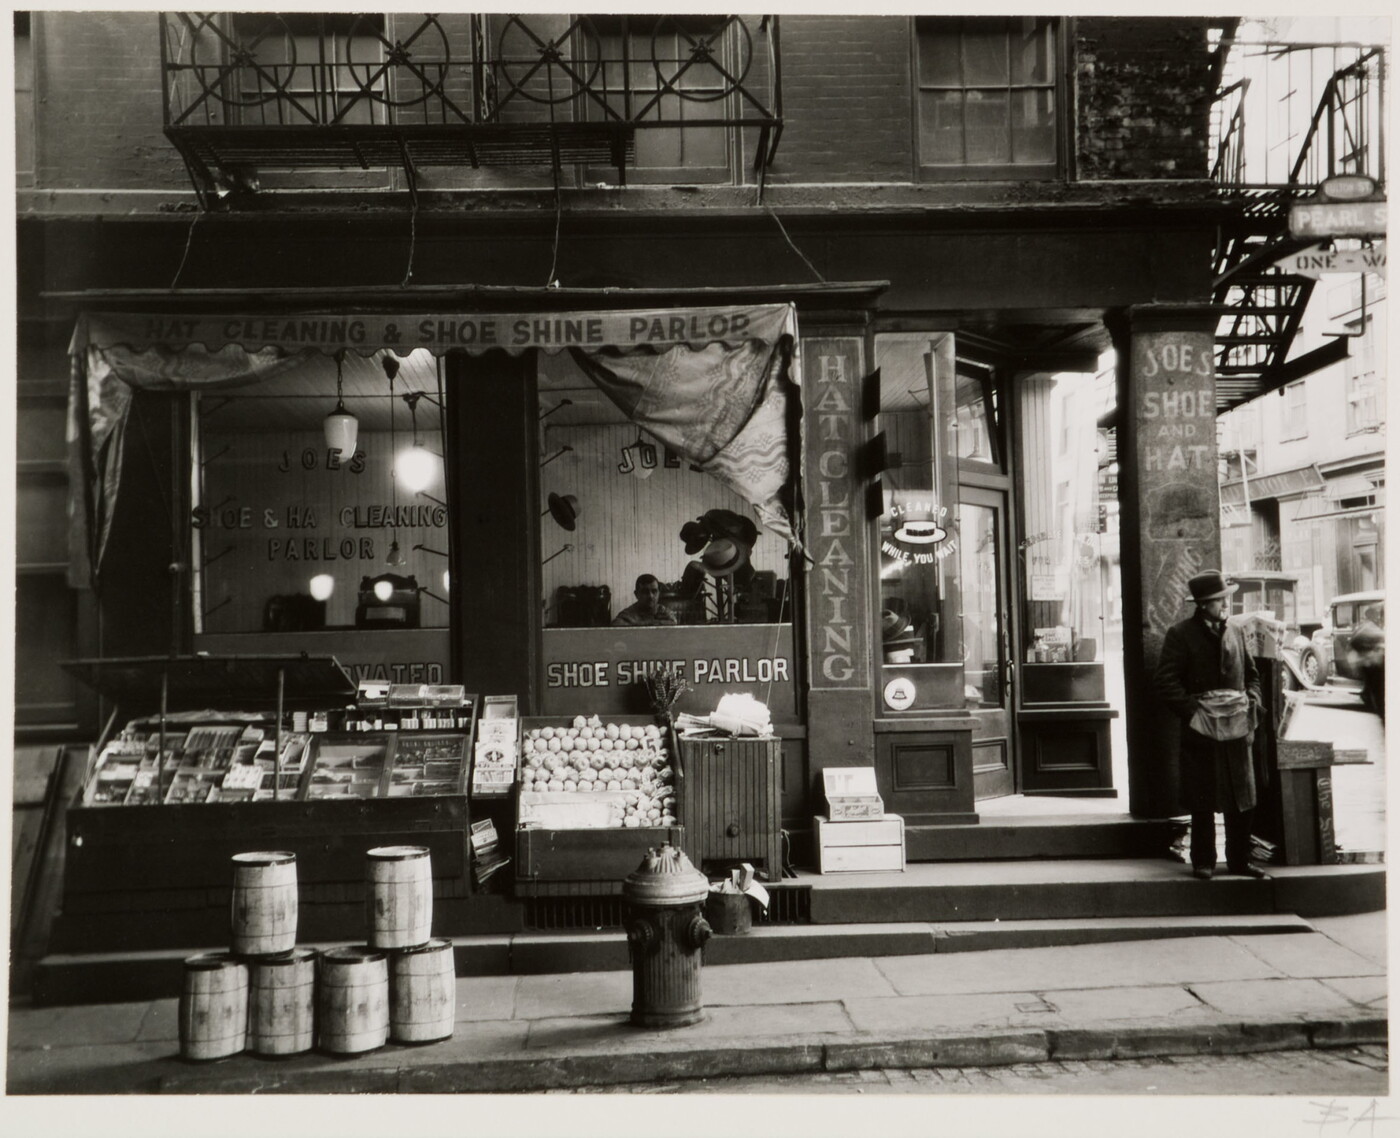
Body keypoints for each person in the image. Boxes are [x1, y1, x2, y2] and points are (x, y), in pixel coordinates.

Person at [1154, 569, 1265, 880]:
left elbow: (1253, 676)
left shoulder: (1237, 631)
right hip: (1202, 730)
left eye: (1226, 599)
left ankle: (1240, 861)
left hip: (1238, 727)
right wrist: (1195, 714)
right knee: (1203, 797)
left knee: (1242, 797)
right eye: (1219, 600)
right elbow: (1165, 682)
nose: (1226, 605)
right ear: (1203, 604)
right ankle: (1203, 861)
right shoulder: (1180, 635)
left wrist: (1252, 702)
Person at [612, 573, 677, 627]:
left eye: (654, 591)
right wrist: (653, 623)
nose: (651, 596)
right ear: (636, 594)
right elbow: (615, 626)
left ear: (659, 593)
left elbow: (674, 624)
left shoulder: (663, 612)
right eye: (645, 592)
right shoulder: (628, 615)